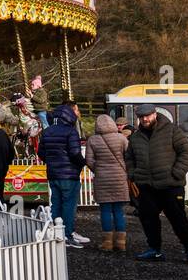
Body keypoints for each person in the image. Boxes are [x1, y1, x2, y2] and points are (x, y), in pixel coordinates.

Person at [125, 104, 188, 262]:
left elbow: (186, 152)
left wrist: (177, 173)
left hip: (171, 185)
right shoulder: (135, 137)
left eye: (148, 115)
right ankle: (154, 250)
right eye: (141, 117)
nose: (145, 119)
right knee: (148, 219)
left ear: (155, 114)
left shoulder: (172, 131)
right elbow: (129, 158)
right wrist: (133, 174)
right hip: (147, 185)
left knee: (178, 218)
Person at [38, 103, 86, 247]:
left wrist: (51, 161)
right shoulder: (71, 132)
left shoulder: (47, 131)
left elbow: (41, 152)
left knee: (56, 204)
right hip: (69, 174)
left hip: (53, 173)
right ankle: (67, 234)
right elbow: (75, 153)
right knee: (69, 205)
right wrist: (82, 163)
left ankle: (56, 234)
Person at [85, 112, 130, 252]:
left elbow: (89, 161)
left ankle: (107, 243)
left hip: (102, 179)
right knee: (118, 210)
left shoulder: (92, 140)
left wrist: (98, 169)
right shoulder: (121, 138)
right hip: (119, 178)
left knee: (105, 210)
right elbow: (129, 157)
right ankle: (121, 242)